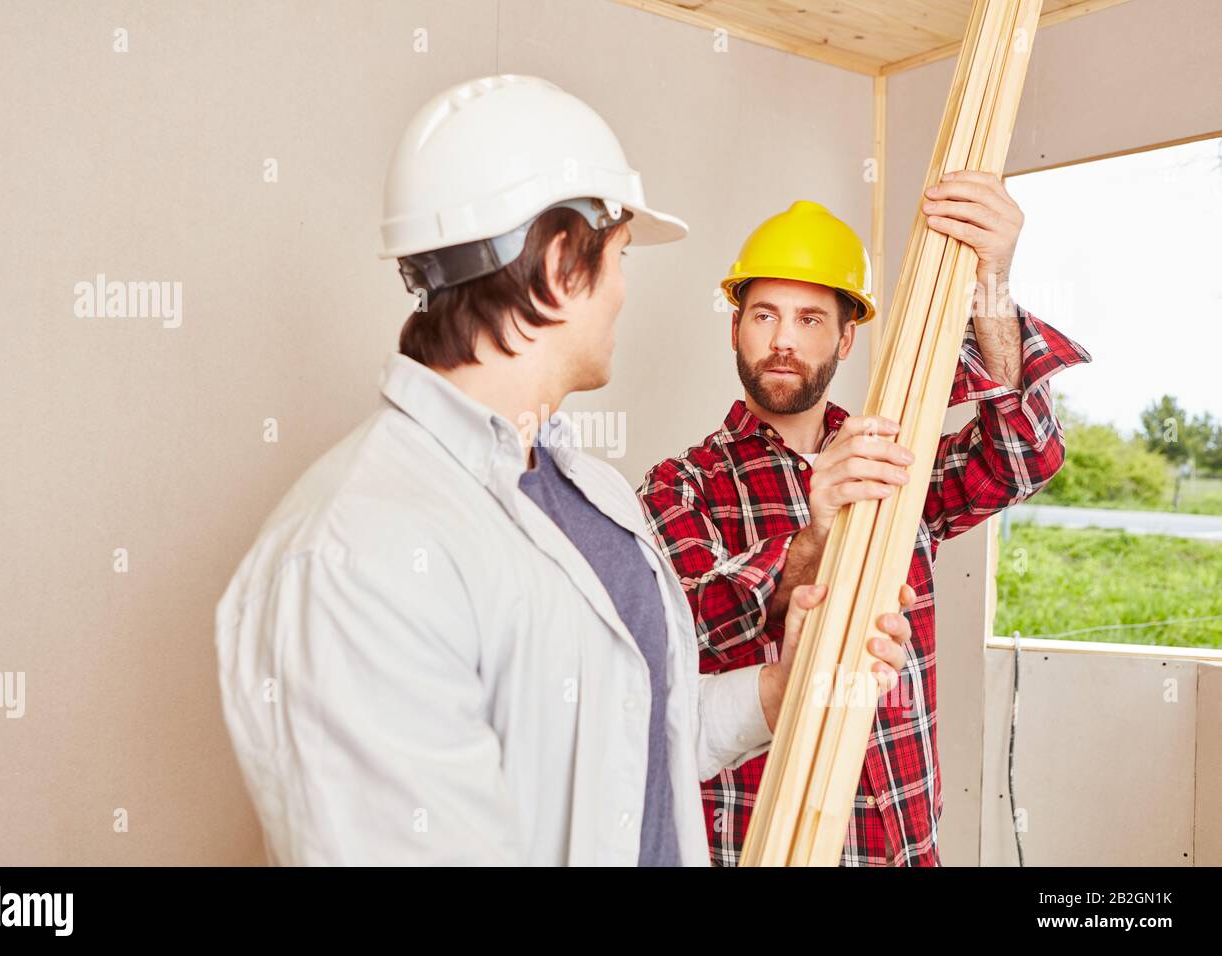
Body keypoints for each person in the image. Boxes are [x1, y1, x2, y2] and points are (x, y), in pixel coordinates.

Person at [214, 75, 913, 865]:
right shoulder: (359, 548)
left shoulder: (592, 497)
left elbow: (632, 752)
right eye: (618, 257)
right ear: (558, 264)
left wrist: (780, 693)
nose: (623, 291)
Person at [638, 194, 1091, 866]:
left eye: (810, 318)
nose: (784, 339)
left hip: (903, 847)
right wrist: (814, 539)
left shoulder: (894, 464)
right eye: (765, 315)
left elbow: (1023, 457)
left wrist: (991, 288)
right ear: (734, 327)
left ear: (845, 338)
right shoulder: (680, 484)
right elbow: (688, 629)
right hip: (759, 848)